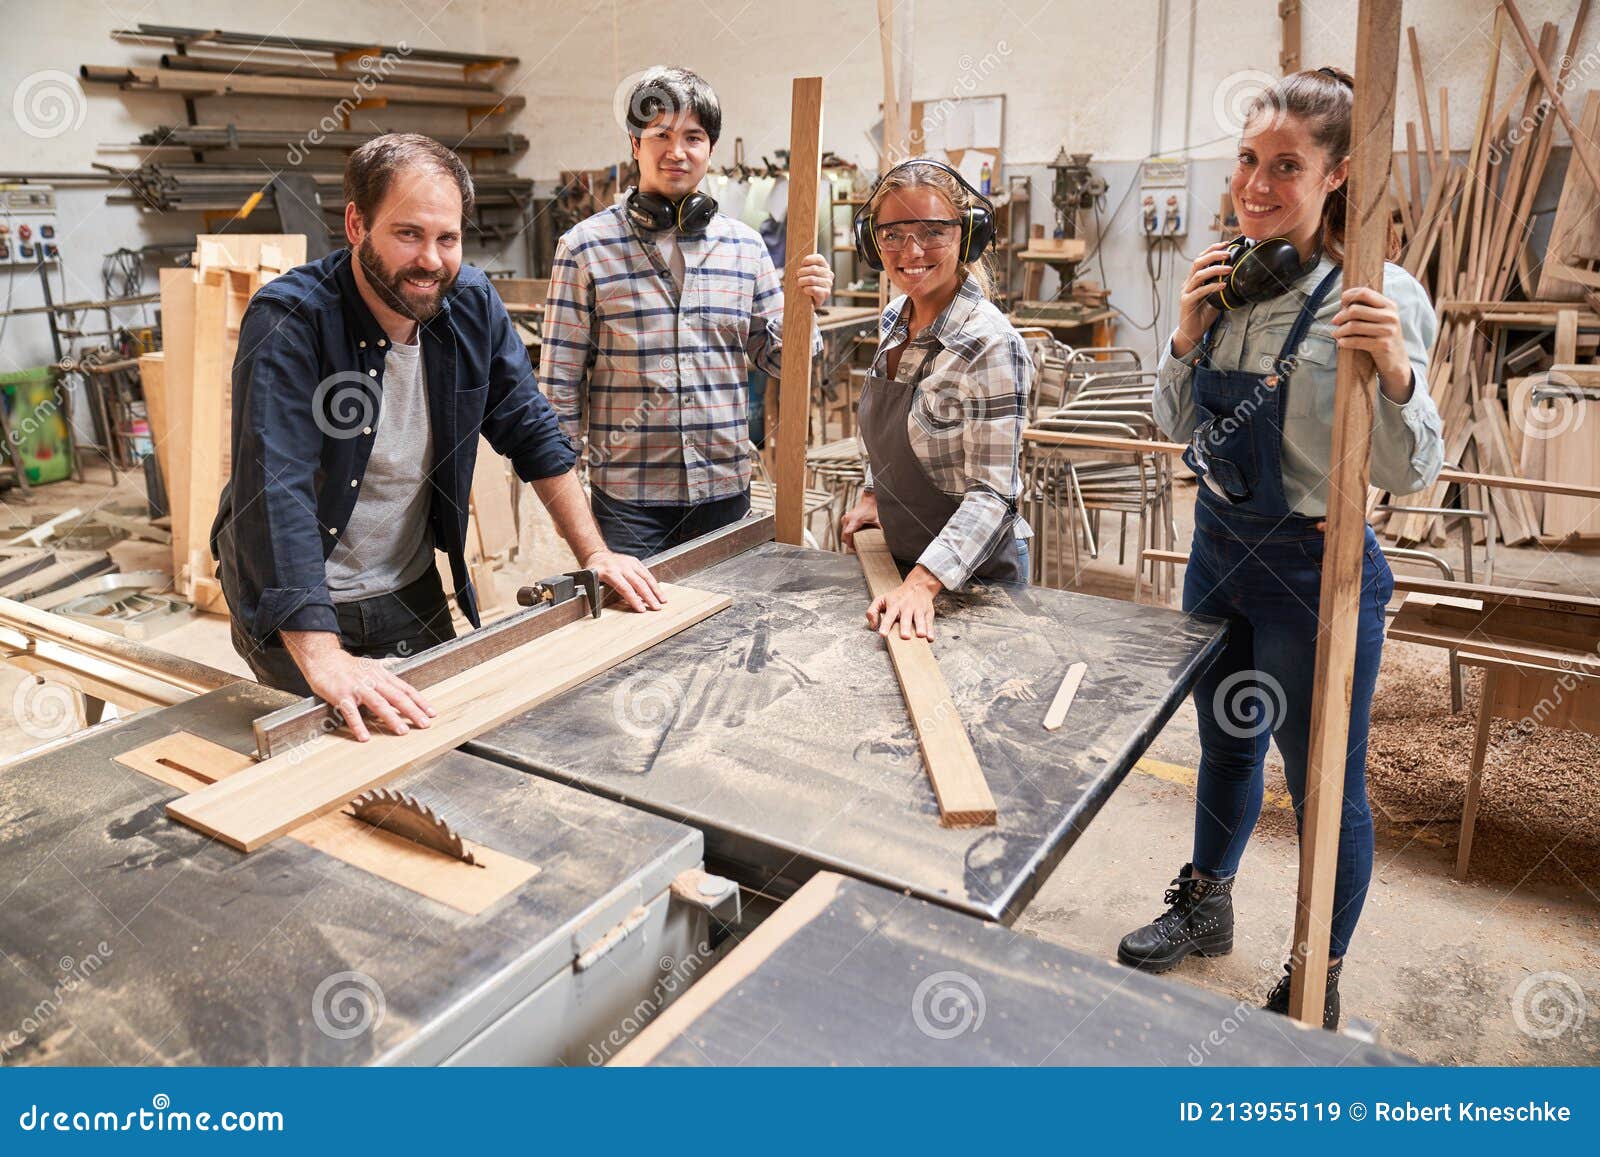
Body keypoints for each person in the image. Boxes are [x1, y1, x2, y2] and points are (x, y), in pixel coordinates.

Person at [1118, 67, 1443, 1029]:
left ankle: (1317, 966)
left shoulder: (1378, 294)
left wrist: (1392, 370)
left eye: (1287, 166)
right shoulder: (1225, 274)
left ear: (1338, 174)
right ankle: (1207, 903)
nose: (1257, 185)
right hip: (1221, 550)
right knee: (1225, 745)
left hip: (1319, 565)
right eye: (1249, 161)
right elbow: (1176, 426)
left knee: (1322, 782)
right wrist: (1184, 333)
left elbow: (1412, 470)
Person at [214, 133, 662, 737]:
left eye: (446, 238)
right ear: (356, 223)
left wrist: (595, 553)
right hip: (298, 606)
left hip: (408, 588)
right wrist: (323, 658)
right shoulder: (290, 321)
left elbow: (531, 430)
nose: (430, 259)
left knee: (449, 740)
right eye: (408, 234)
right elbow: (277, 490)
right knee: (344, 772)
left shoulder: (470, 305)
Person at [541, 66, 833, 556]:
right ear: (635, 144)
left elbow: (784, 361)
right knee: (640, 629)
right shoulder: (584, 248)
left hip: (725, 491)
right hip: (629, 502)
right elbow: (559, 386)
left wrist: (807, 310)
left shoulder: (745, 247)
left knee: (730, 627)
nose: (677, 152)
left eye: (693, 137)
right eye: (661, 135)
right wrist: (565, 499)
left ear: (710, 149)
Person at [838, 158, 1033, 641]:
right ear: (871, 241)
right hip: (903, 565)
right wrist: (872, 494)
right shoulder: (893, 320)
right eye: (893, 233)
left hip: (976, 580)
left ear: (967, 237)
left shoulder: (989, 345)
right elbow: (892, 433)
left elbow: (995, 495)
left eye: (932, 231)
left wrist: (925, 584)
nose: (912, 250)